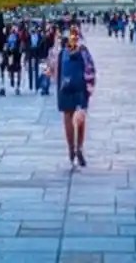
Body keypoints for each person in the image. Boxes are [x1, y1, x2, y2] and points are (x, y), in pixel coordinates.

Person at [47, 27, 95, 168]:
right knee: (80, 117)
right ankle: (79, 147)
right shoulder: (83, 51)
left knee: (68, 117)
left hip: (65, 87)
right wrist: (90, 87)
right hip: (80, 87)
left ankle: (71, 148)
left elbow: (51, 69)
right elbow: (91, 69)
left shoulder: (60, 52)